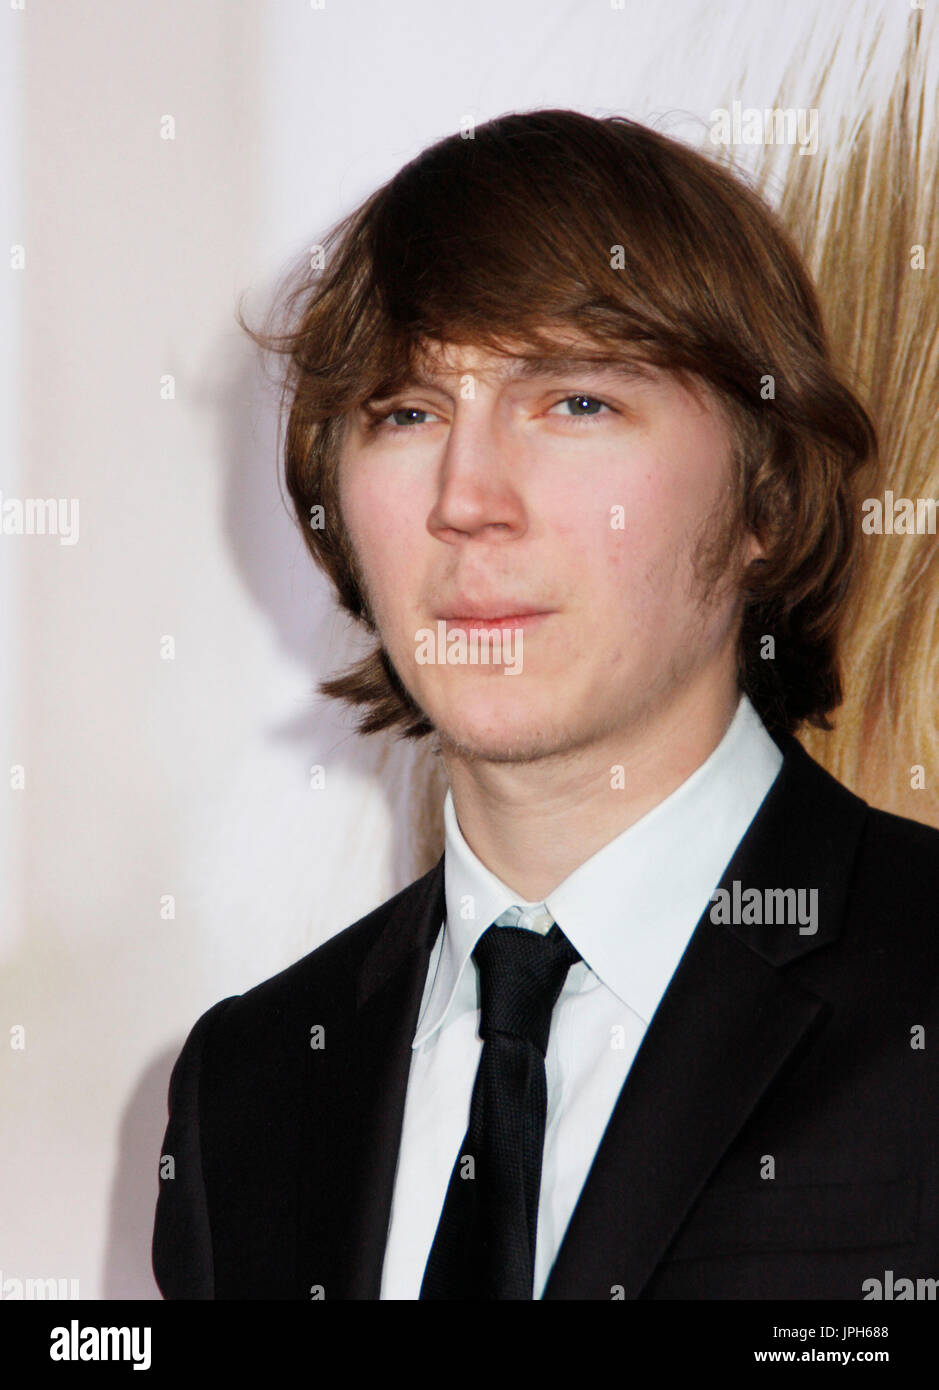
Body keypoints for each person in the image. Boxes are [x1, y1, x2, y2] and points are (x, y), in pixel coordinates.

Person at [152, 110, 939, 1300]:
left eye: (575, 403)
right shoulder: (251, 1087)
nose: (467, 498)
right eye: (407, 413)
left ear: (765, 498)